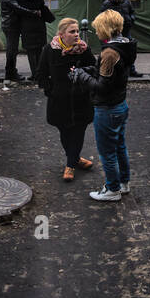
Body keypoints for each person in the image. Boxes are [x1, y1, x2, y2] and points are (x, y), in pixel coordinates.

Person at [83, 9, 136, 202]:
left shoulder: (109, 53)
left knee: (107, 152)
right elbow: (112, 77)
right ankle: (123, 183)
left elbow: (102, 87)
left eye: (98, 29)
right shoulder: (125, 45)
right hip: (120, 105)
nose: (96, 32)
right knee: (120, 147)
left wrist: (82, 76)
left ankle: (112, 189)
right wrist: (92, 69)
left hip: (107, 108)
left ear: (106, 28)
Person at [38, 15, 96, 184]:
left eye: (77, 31)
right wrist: (51, 91)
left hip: (81, 99)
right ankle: (76, 158)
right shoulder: (50, 49)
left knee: (78, 131)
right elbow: (41, 74)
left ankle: (70, 165)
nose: (77, 34)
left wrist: (82, 74)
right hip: (59, 101)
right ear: (62, 34)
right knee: (65, 131)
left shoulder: (83, 49)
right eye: (72, 32)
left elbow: (94, 67)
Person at [0, 0, 51, 82]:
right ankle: (11, 73)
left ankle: (15, 73)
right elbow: (19, 9)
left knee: (23, 51)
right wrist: (35, 12)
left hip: (18, 26)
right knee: (13, 51)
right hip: (13, 26)